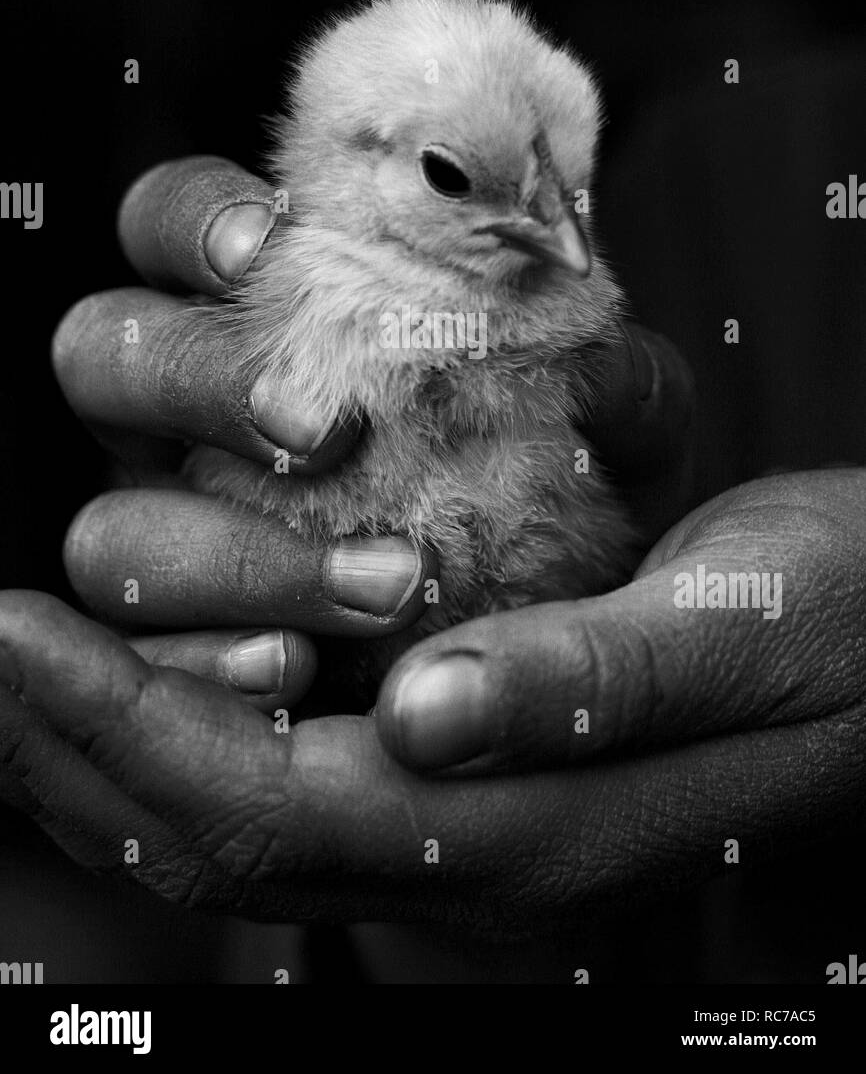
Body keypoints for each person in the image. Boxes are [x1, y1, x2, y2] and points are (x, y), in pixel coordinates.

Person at [1, 136, 863, 984]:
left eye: (563, 191)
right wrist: (411, 914)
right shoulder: (707, 177)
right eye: (456, 176)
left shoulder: (652, 218)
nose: (565, 232)